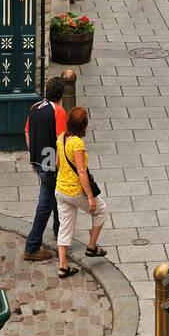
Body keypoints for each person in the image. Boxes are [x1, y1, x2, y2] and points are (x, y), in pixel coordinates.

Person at [54, 106, 108, 278]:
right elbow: (82, 172)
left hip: (60, 190)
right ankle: (92, 247)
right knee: (101, 210)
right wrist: (91, 197)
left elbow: (57, 163)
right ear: (84, 124)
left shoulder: (62, 137)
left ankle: (63, 266)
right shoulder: (77, 143)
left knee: (65, 227)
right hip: (74, 192)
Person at [23, 76, 68, 261]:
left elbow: (27, 132)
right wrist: (60, 164)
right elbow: (60, 140)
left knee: (55, 195)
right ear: (61, 94)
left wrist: (33, 157)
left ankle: (59, 231)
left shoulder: (35, 107)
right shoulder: (58, 112)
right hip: (50, 162)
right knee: (46, 202)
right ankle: (32, 245)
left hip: (39, 160)